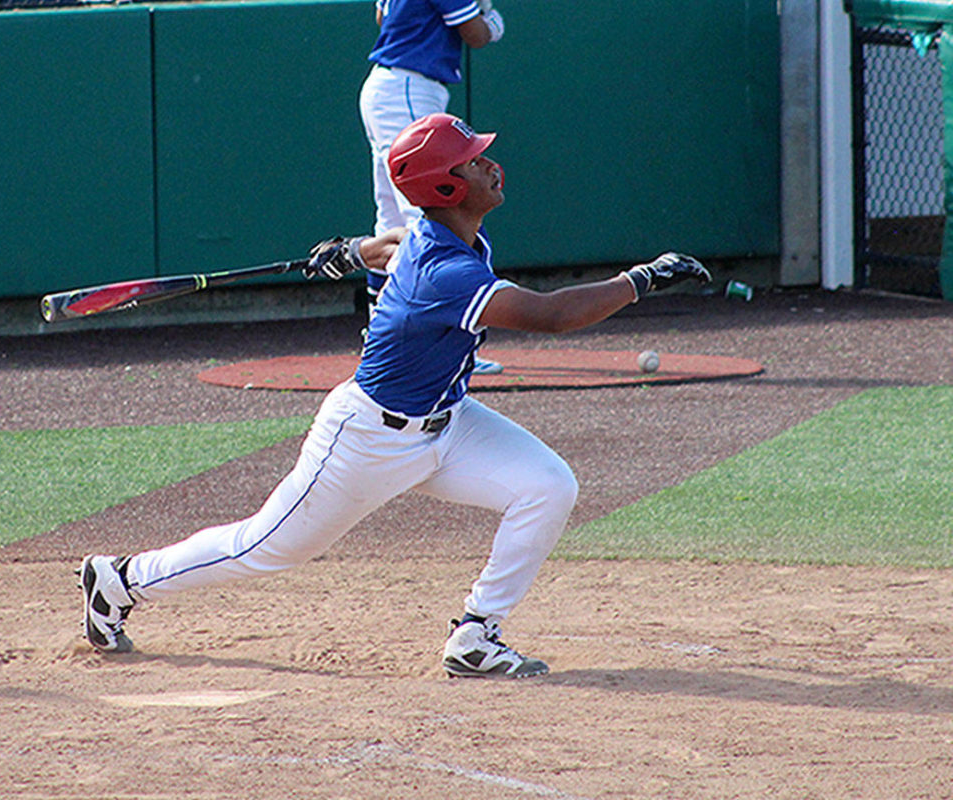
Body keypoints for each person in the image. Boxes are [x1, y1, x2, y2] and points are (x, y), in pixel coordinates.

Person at [79, 113, 710, 679]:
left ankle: (476, 634)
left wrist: (351, 251)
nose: (492, 163)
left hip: (449, 423)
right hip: (369, 440)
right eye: (474, 160)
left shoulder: (442, 236)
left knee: (548, 485)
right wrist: (641, 279)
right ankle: (121, 580)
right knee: (266, 548)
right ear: (446, 188)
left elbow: (392, 245)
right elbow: (547, 316)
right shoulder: (446, 271)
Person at [359, 0, 506, 375]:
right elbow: (475, 35)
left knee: (391, 218)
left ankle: (380, 333)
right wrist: (491, 21)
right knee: (434, 216)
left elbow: (381, 16)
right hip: (411, 85)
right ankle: (456, 341)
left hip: (386, 86)